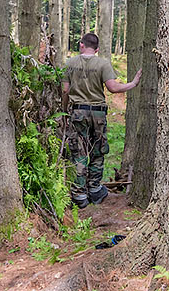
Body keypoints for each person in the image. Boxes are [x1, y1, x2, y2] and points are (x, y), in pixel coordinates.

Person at [62, 32, 140, 208]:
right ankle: (95, 189)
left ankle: (79, 195)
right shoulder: (103, 64)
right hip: (97, 114)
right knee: (97, 151)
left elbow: (65, 91)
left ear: (82, 44)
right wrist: (133, 84)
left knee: (79, 153)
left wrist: (63, 111)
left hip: (77, 113)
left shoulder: (70, 63)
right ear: (96, 49)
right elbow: (112, 88)